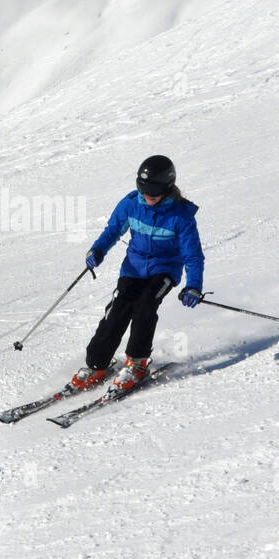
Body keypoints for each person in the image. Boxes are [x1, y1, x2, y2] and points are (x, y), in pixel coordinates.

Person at [72, 155, 204, 393]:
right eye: (144, 190)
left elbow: (193, 255)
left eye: (154, 191)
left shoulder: (180, 215)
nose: (149, 196)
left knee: (145, 305)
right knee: (117, 309)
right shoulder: (131, 203)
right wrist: (98, 249)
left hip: (164, 269)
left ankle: (138, 364)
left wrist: (193, 285)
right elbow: (113, 230)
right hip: (133, 267)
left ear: (167, 187)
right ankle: (96, 365)